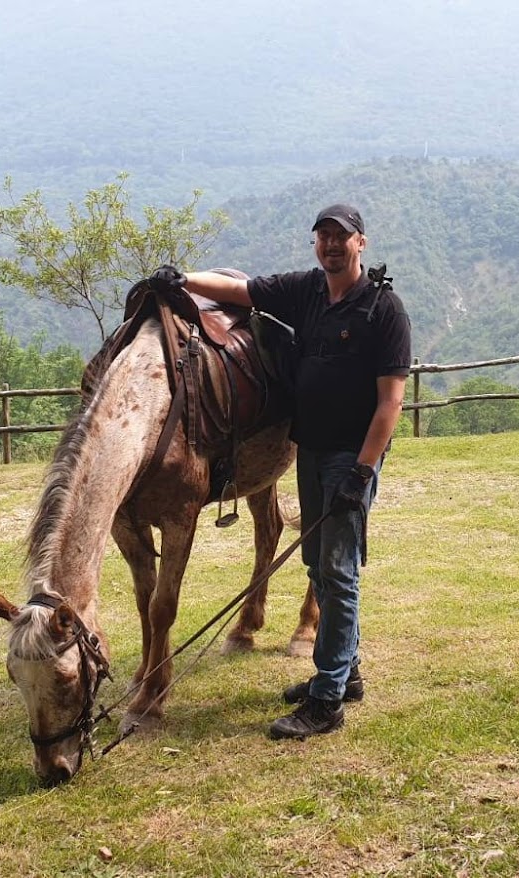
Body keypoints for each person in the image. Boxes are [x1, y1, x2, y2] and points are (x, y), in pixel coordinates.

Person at [149, 203, 411, 739]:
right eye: (324, 237)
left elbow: (390, 404)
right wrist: (180, 279)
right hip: (310, 450)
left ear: (362, 242)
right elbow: (243, 292)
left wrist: (362, 473)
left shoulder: (385, 311)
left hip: (349, 457)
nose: (332, 245)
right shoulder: (308, 290)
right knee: (318, 563)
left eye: (342, 237)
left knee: (337, 573)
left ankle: (327, 700)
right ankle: (345, 672)